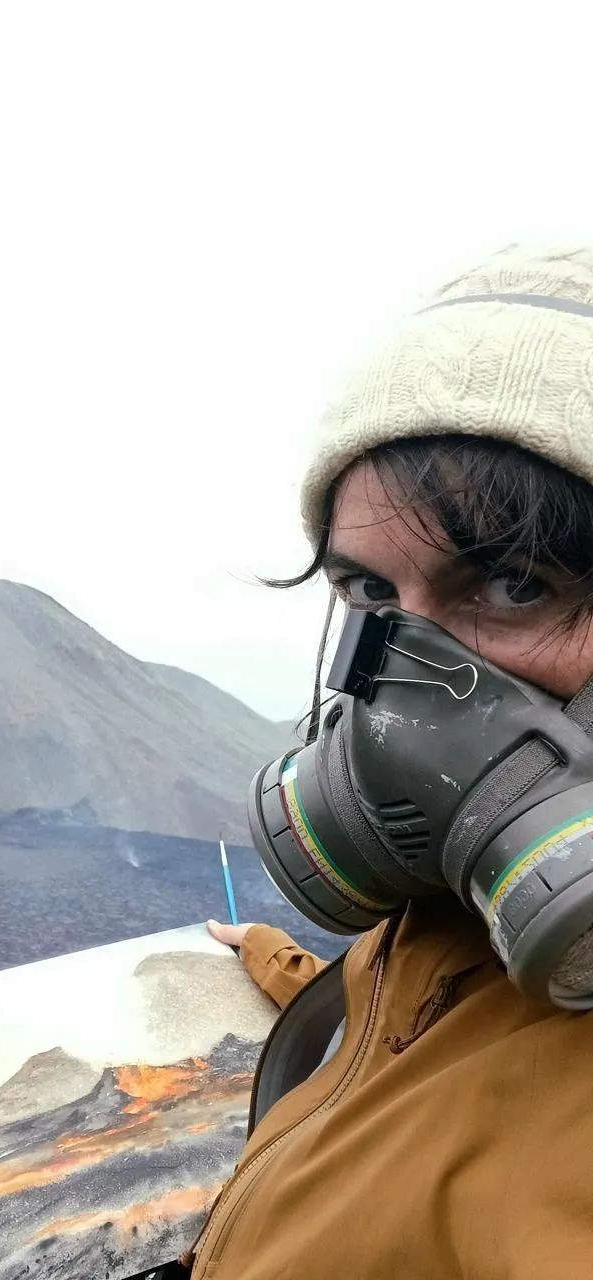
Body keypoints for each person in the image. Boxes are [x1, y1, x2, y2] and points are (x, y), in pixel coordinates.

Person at [182, 244, 593, 1278]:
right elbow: (441, 1044)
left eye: (512, 586)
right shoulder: (462, 909)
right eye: (367, 591)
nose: (403, 690)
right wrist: (300, 983)